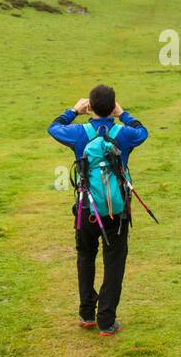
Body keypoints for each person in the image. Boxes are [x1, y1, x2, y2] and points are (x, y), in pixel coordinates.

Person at [48, 84, 149, 336]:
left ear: (89, 107)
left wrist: (73, 110)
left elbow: (53, 128)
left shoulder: (79, 134)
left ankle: (86, 313)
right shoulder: (123, 134)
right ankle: (106, 320)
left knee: (85, 256)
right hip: (117, 211)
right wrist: (123, 114)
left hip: (86, 208)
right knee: (114, 262)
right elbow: (143, 132)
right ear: (113, 107)